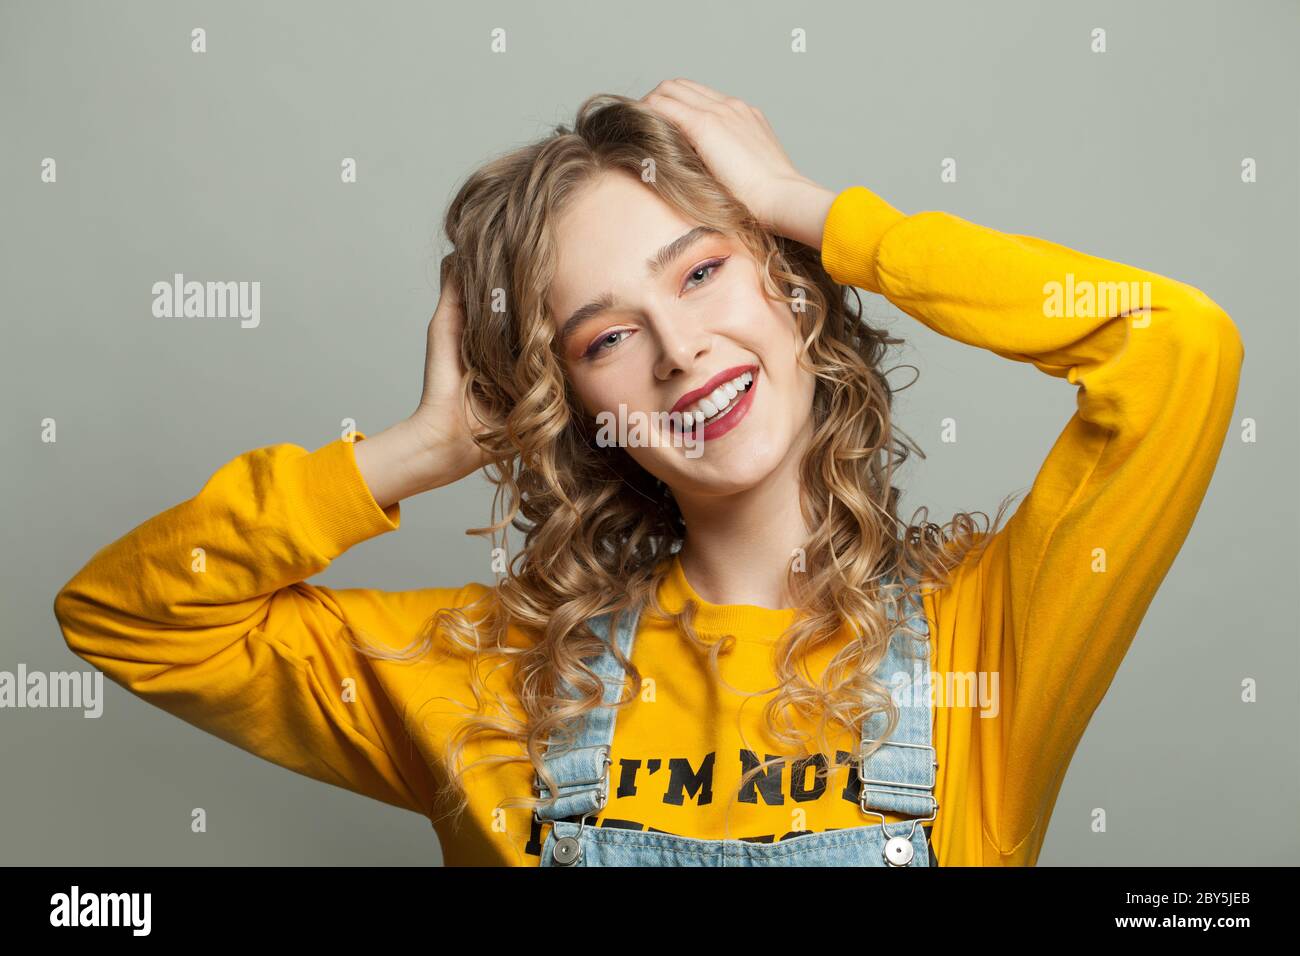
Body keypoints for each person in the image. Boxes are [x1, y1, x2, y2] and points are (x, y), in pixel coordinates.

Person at [53, 79, 1244, 866]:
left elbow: (1175, 347)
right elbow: (132, 618)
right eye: (604, 337)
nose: (679, 350)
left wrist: (814, 211)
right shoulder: (493, 680)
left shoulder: (986, 643)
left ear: (789, 287)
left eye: (700, 272)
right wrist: (420, 447)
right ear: (573, 404)